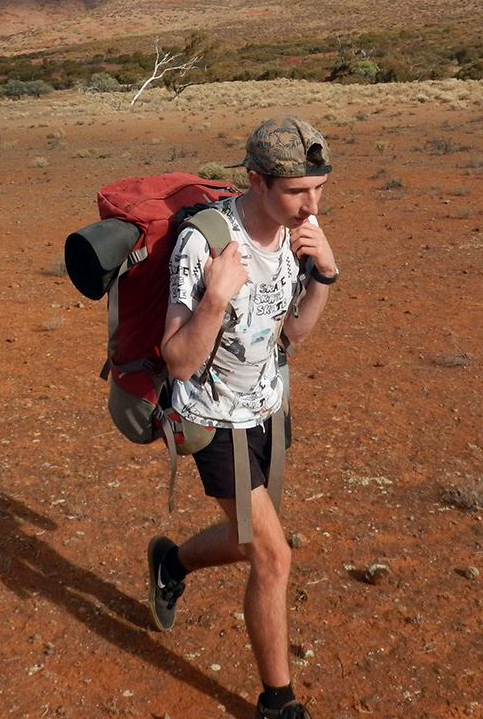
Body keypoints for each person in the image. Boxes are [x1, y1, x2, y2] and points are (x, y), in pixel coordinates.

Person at [148, 116, 339, 719]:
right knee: (272, 556)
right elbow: (177, 361)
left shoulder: (297, 235)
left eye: (319, 189)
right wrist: (215, 297)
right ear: (256, 181)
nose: (311, 206)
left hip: (266, 407)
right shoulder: (206, 243)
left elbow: (293, 337)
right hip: (212, 417)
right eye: (296, 192)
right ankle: (277, 703)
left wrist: (325, 279)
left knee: (245, 538)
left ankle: (170, 562)